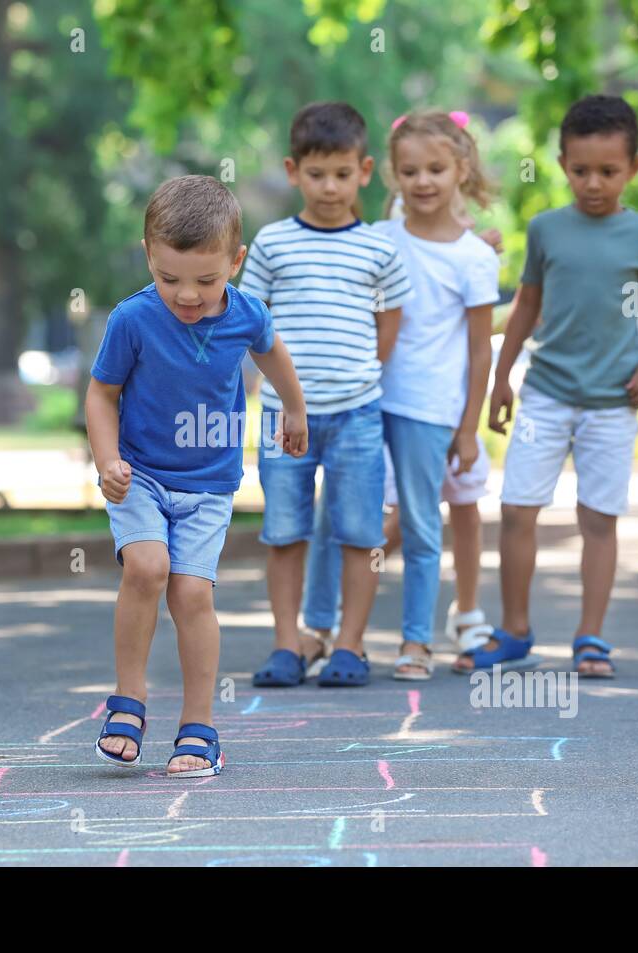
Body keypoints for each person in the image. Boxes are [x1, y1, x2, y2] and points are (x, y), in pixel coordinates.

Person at [85, 175, 307, 775]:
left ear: (236, 262)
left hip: (208, 484)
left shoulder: (246, 314)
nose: (187, 296)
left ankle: (199, 726)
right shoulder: (132, 319)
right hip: (142, 476)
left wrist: (293, 406)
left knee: (190, 595)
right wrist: (107, 462)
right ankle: (128, 700)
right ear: (148, 256)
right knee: (147, 568)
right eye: (169, 278)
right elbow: (101, 395)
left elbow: (272, 350)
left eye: (206, 281)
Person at [453, 94, 638, 678]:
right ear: (561, 164)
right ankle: (516, 630)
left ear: (633, 168)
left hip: (614, 401)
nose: (594, 183)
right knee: (518, 508)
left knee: (598, 518)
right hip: (546, 394)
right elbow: (527, 304)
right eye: (580, 170)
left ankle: (592, 637)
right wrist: (502, 378)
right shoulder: (547, 229)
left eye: (608, 171)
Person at [300, 108, 500, 680]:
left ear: (460, 168)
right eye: (410, 171)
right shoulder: (377, 239)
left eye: (436, 168)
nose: (423, 181)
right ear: (390, 175)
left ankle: (416, 640)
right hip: (360, 400)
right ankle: (321, 629)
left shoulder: (474, 258)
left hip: (430, 409)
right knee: (336, 516)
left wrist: (468, 429)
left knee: (419, 522)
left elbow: (480, 351)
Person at [241, 101, 412, 689]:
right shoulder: (272, 244)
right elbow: (252, 323)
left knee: (361, 532)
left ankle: (351, 645)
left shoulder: (379, 249)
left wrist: (364, 370)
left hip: (357, 412)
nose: (330, 187)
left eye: (343, 174)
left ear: (364, 171)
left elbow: (390, 319)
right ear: (293, 171)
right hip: (284, 416)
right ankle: (288, 644)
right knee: (285, 531)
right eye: (316, 175)